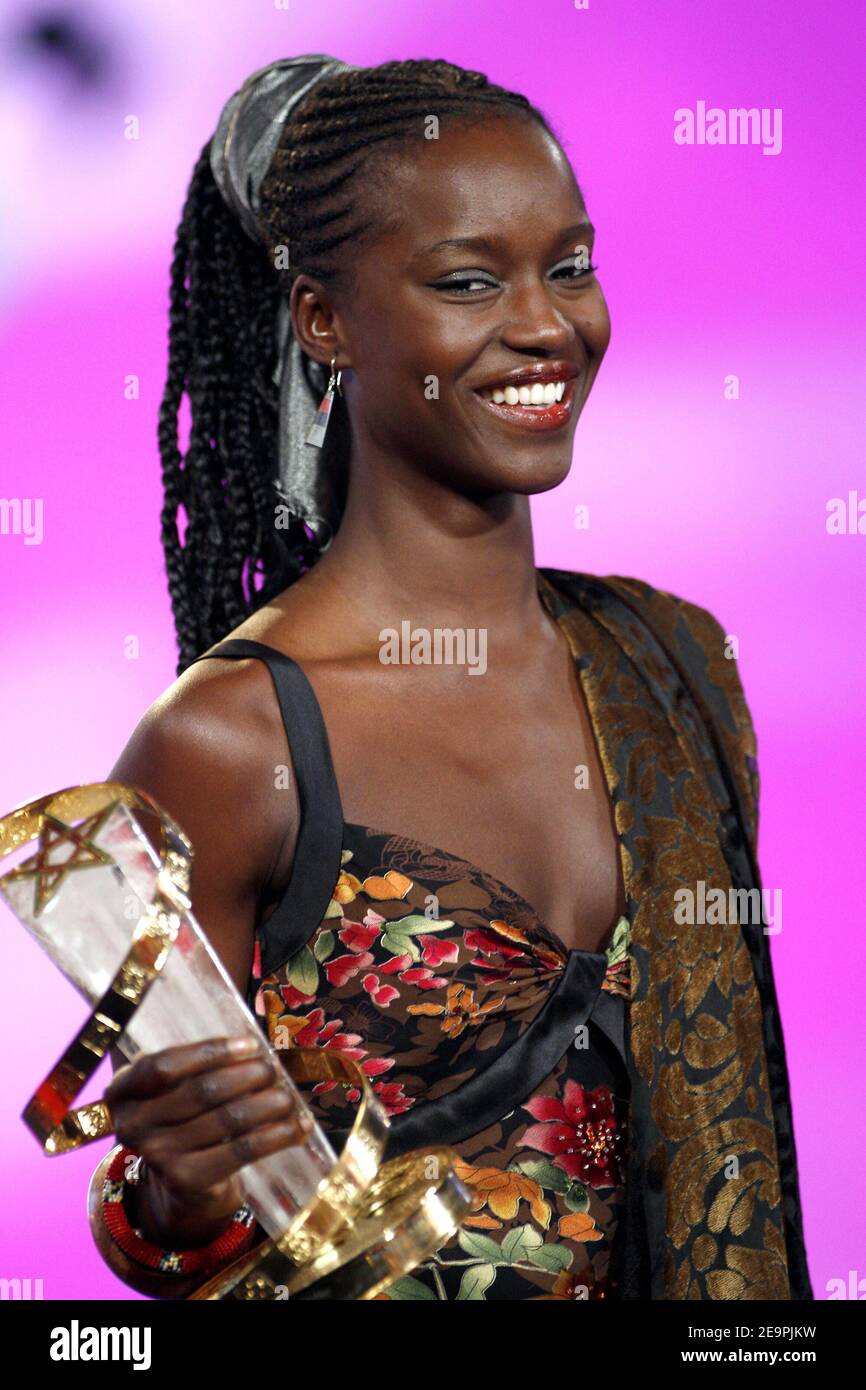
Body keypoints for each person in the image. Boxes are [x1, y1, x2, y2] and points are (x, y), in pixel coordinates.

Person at [93, 55, 811, 1301]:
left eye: (570, 266)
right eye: (468, 281)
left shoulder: (678, 658)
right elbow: (174, 1222)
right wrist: (181, 1187)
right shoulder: (222, 739)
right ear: (321, 320)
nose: (547, 324)